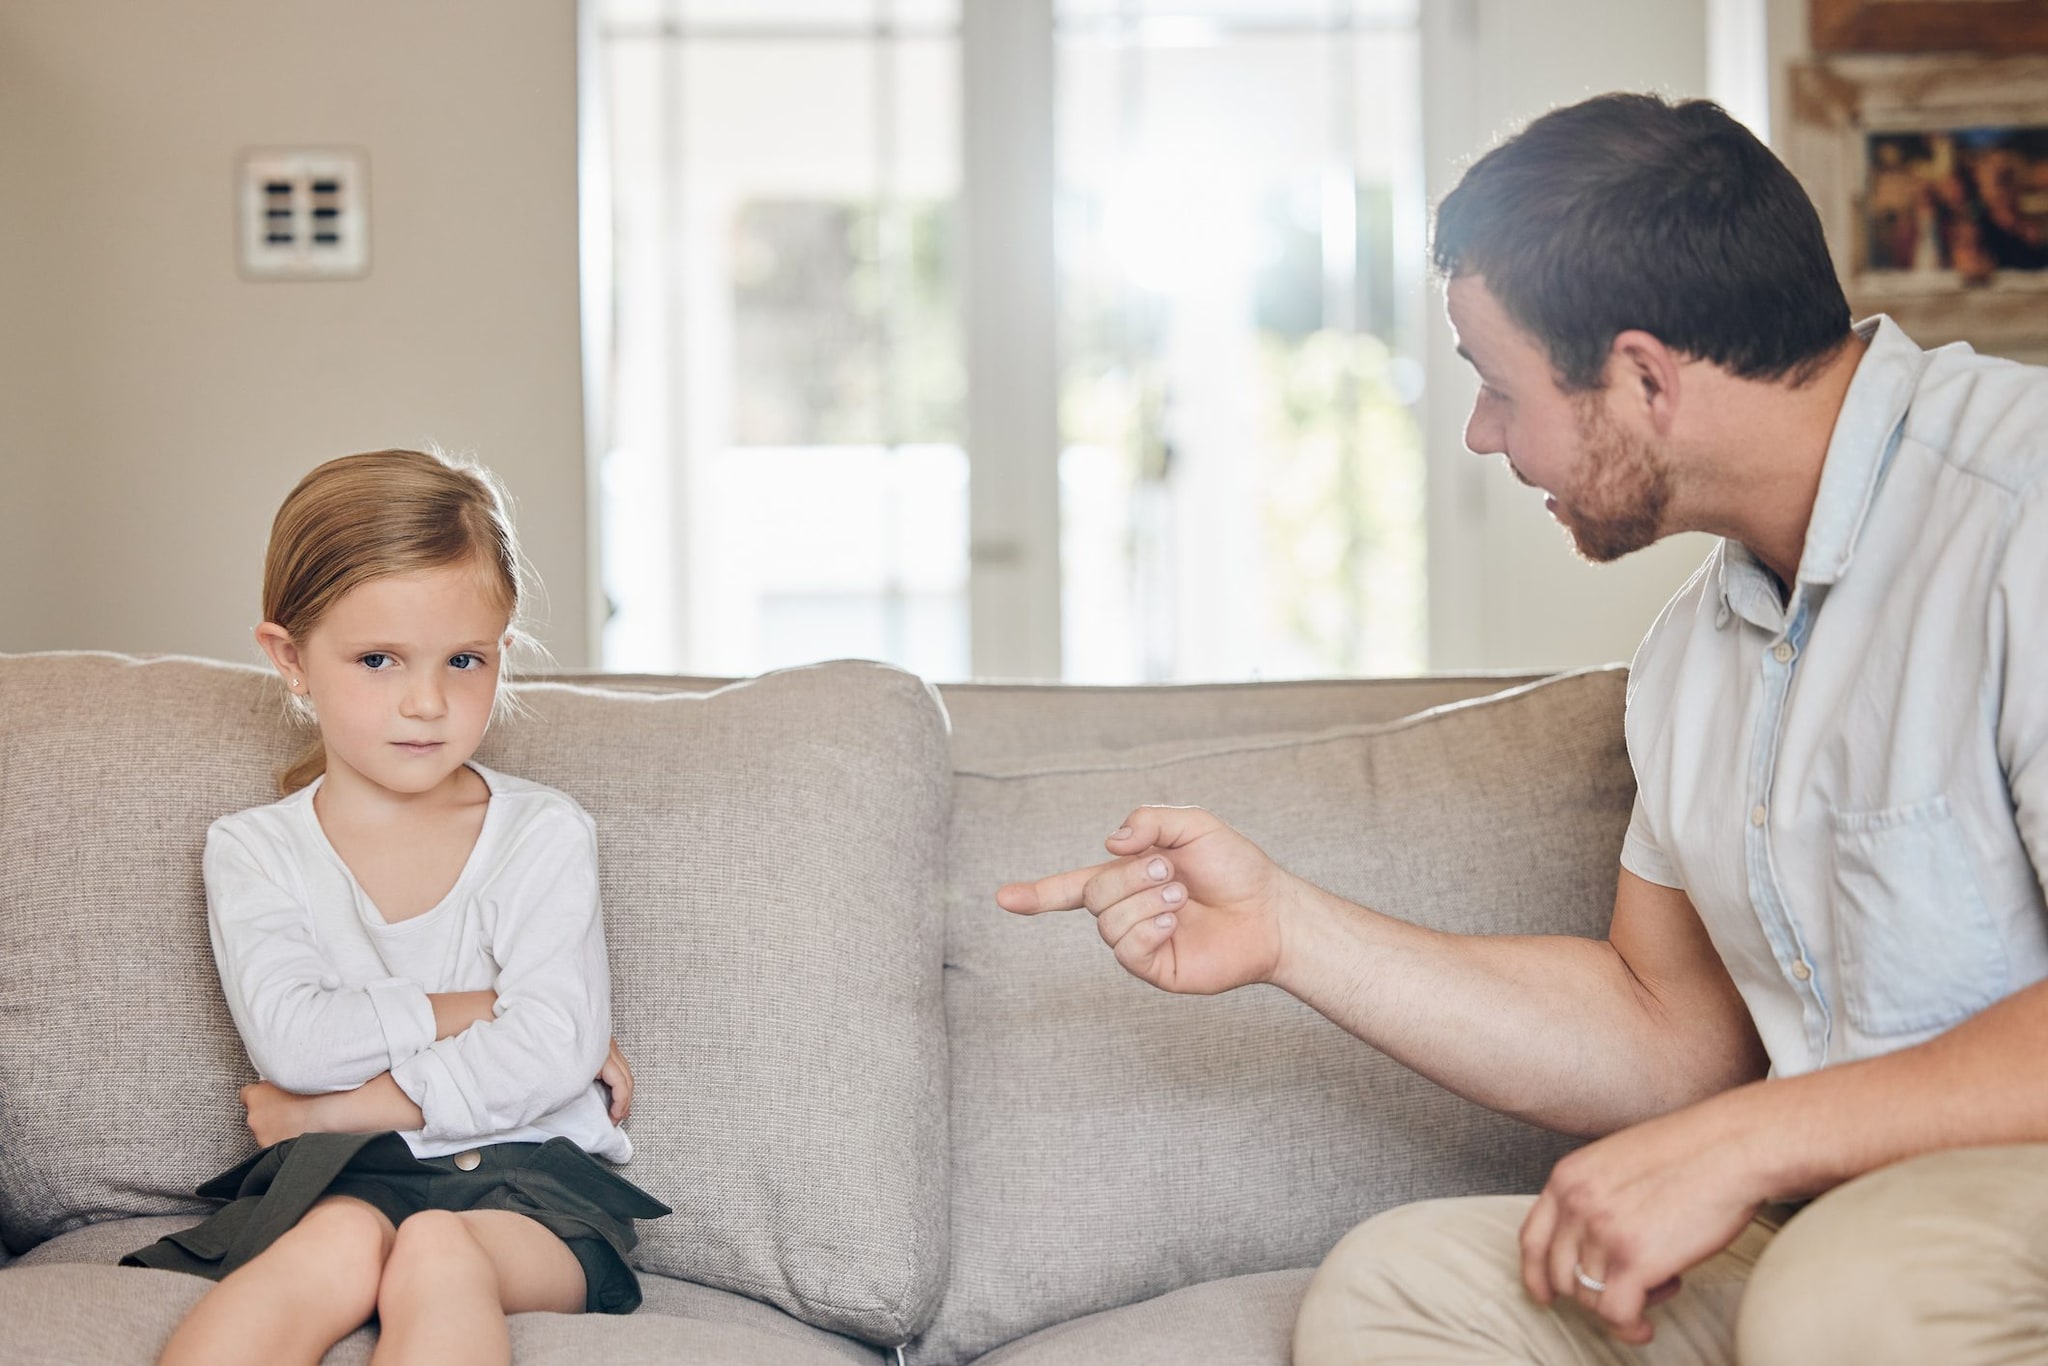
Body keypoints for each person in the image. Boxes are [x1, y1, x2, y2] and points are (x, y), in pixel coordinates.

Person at [996, 92, 2048, 1364]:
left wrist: (1747, 1142)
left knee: (1841, 1298)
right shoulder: (1693, 656)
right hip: (1823, 1222)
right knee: (1399, 1289)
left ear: (1644, 377)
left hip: (1982, 1213)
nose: (1479, 434)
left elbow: (1729, 1120)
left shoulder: (2020, 509)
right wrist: (1287, 928)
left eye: (1499, 387)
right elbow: (1665, 1034)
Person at [124, 449, 670, 1366]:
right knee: (331, 1248)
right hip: (350, 1176)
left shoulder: (542, 834)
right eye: (378, 660)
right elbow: (297, 1044)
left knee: (439, 1248)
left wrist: (330, 1110)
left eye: (464, 660)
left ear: (502, 651)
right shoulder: (254, 850)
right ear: (290, 658)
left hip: (531, 1187)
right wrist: (481, 1007)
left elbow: (553, 1052)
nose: (427, 702)